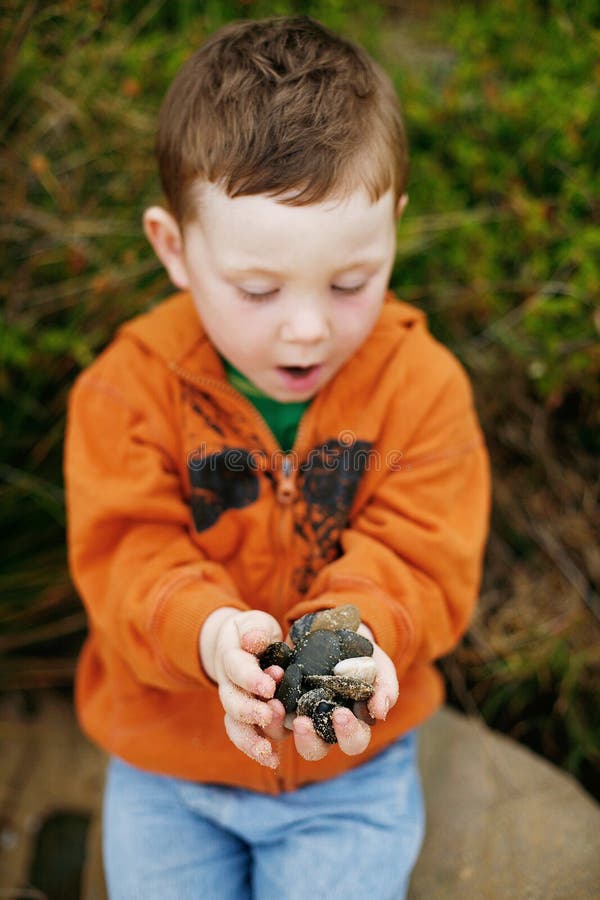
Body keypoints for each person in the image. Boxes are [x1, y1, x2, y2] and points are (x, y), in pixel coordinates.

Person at [64, 15, 490, 900]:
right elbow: (126, 558)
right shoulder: (123, 393)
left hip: (347, 773)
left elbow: (425, 557)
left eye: (351, 282)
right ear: (174, 248)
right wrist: (210, 634)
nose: (308, 327)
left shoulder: (425, 388)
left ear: (395, 228)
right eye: (258, 290)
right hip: (168, 761)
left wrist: (359, 637)